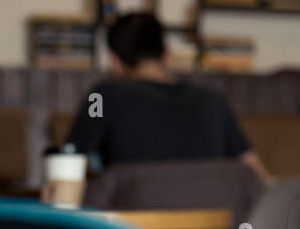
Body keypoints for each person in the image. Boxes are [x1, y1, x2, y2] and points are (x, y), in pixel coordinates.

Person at [65, 12, 273, 185]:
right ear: (167, 54)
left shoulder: (103, 97)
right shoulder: (214, 101)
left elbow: (66, 169)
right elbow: (257, 177)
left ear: (115, 62)